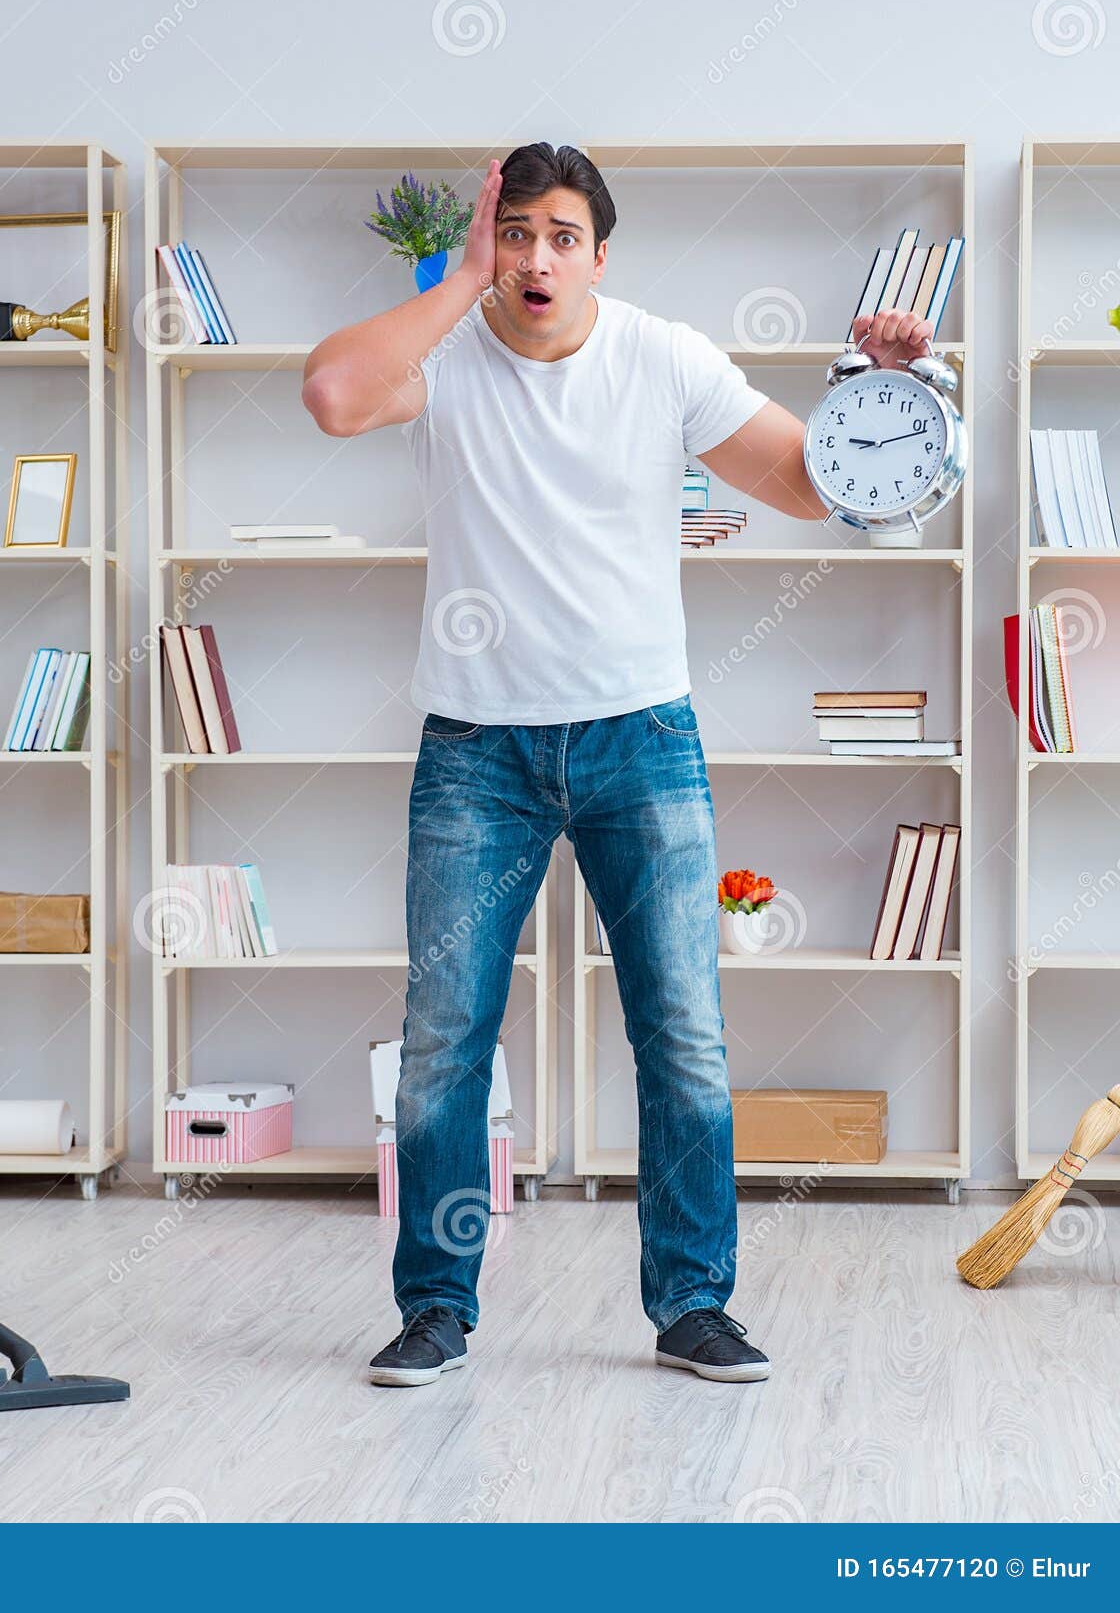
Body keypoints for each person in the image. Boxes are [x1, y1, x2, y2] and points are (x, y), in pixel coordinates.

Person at [301, 141, 934, 1388]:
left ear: (601, 253)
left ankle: (692, 1303)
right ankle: (437, 1306)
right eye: (518, 233)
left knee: (683, 1033)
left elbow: (806, 486)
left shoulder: (663, 355)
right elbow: (331, 393)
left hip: (640, 737)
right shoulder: (444, 355)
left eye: (561, 235)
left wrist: (876, 389)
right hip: (475, 749)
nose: (538, 258)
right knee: (444, 1038)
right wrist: (460, 278)